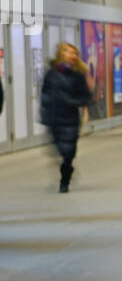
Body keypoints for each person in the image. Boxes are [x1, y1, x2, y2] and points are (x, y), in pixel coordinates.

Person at [40, 42, 93, 193]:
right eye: (69, 52)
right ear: (61, 54)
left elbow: (86, 96)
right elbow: (45, 94)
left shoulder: (77, 75)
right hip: (54, 118)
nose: (73, 56)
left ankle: (65, 180)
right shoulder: (51, 73)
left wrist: (73, 103)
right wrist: (45, 114)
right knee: (59, 150)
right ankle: (66, 169)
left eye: (74, 53)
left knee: (69, 152)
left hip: (70, 118)